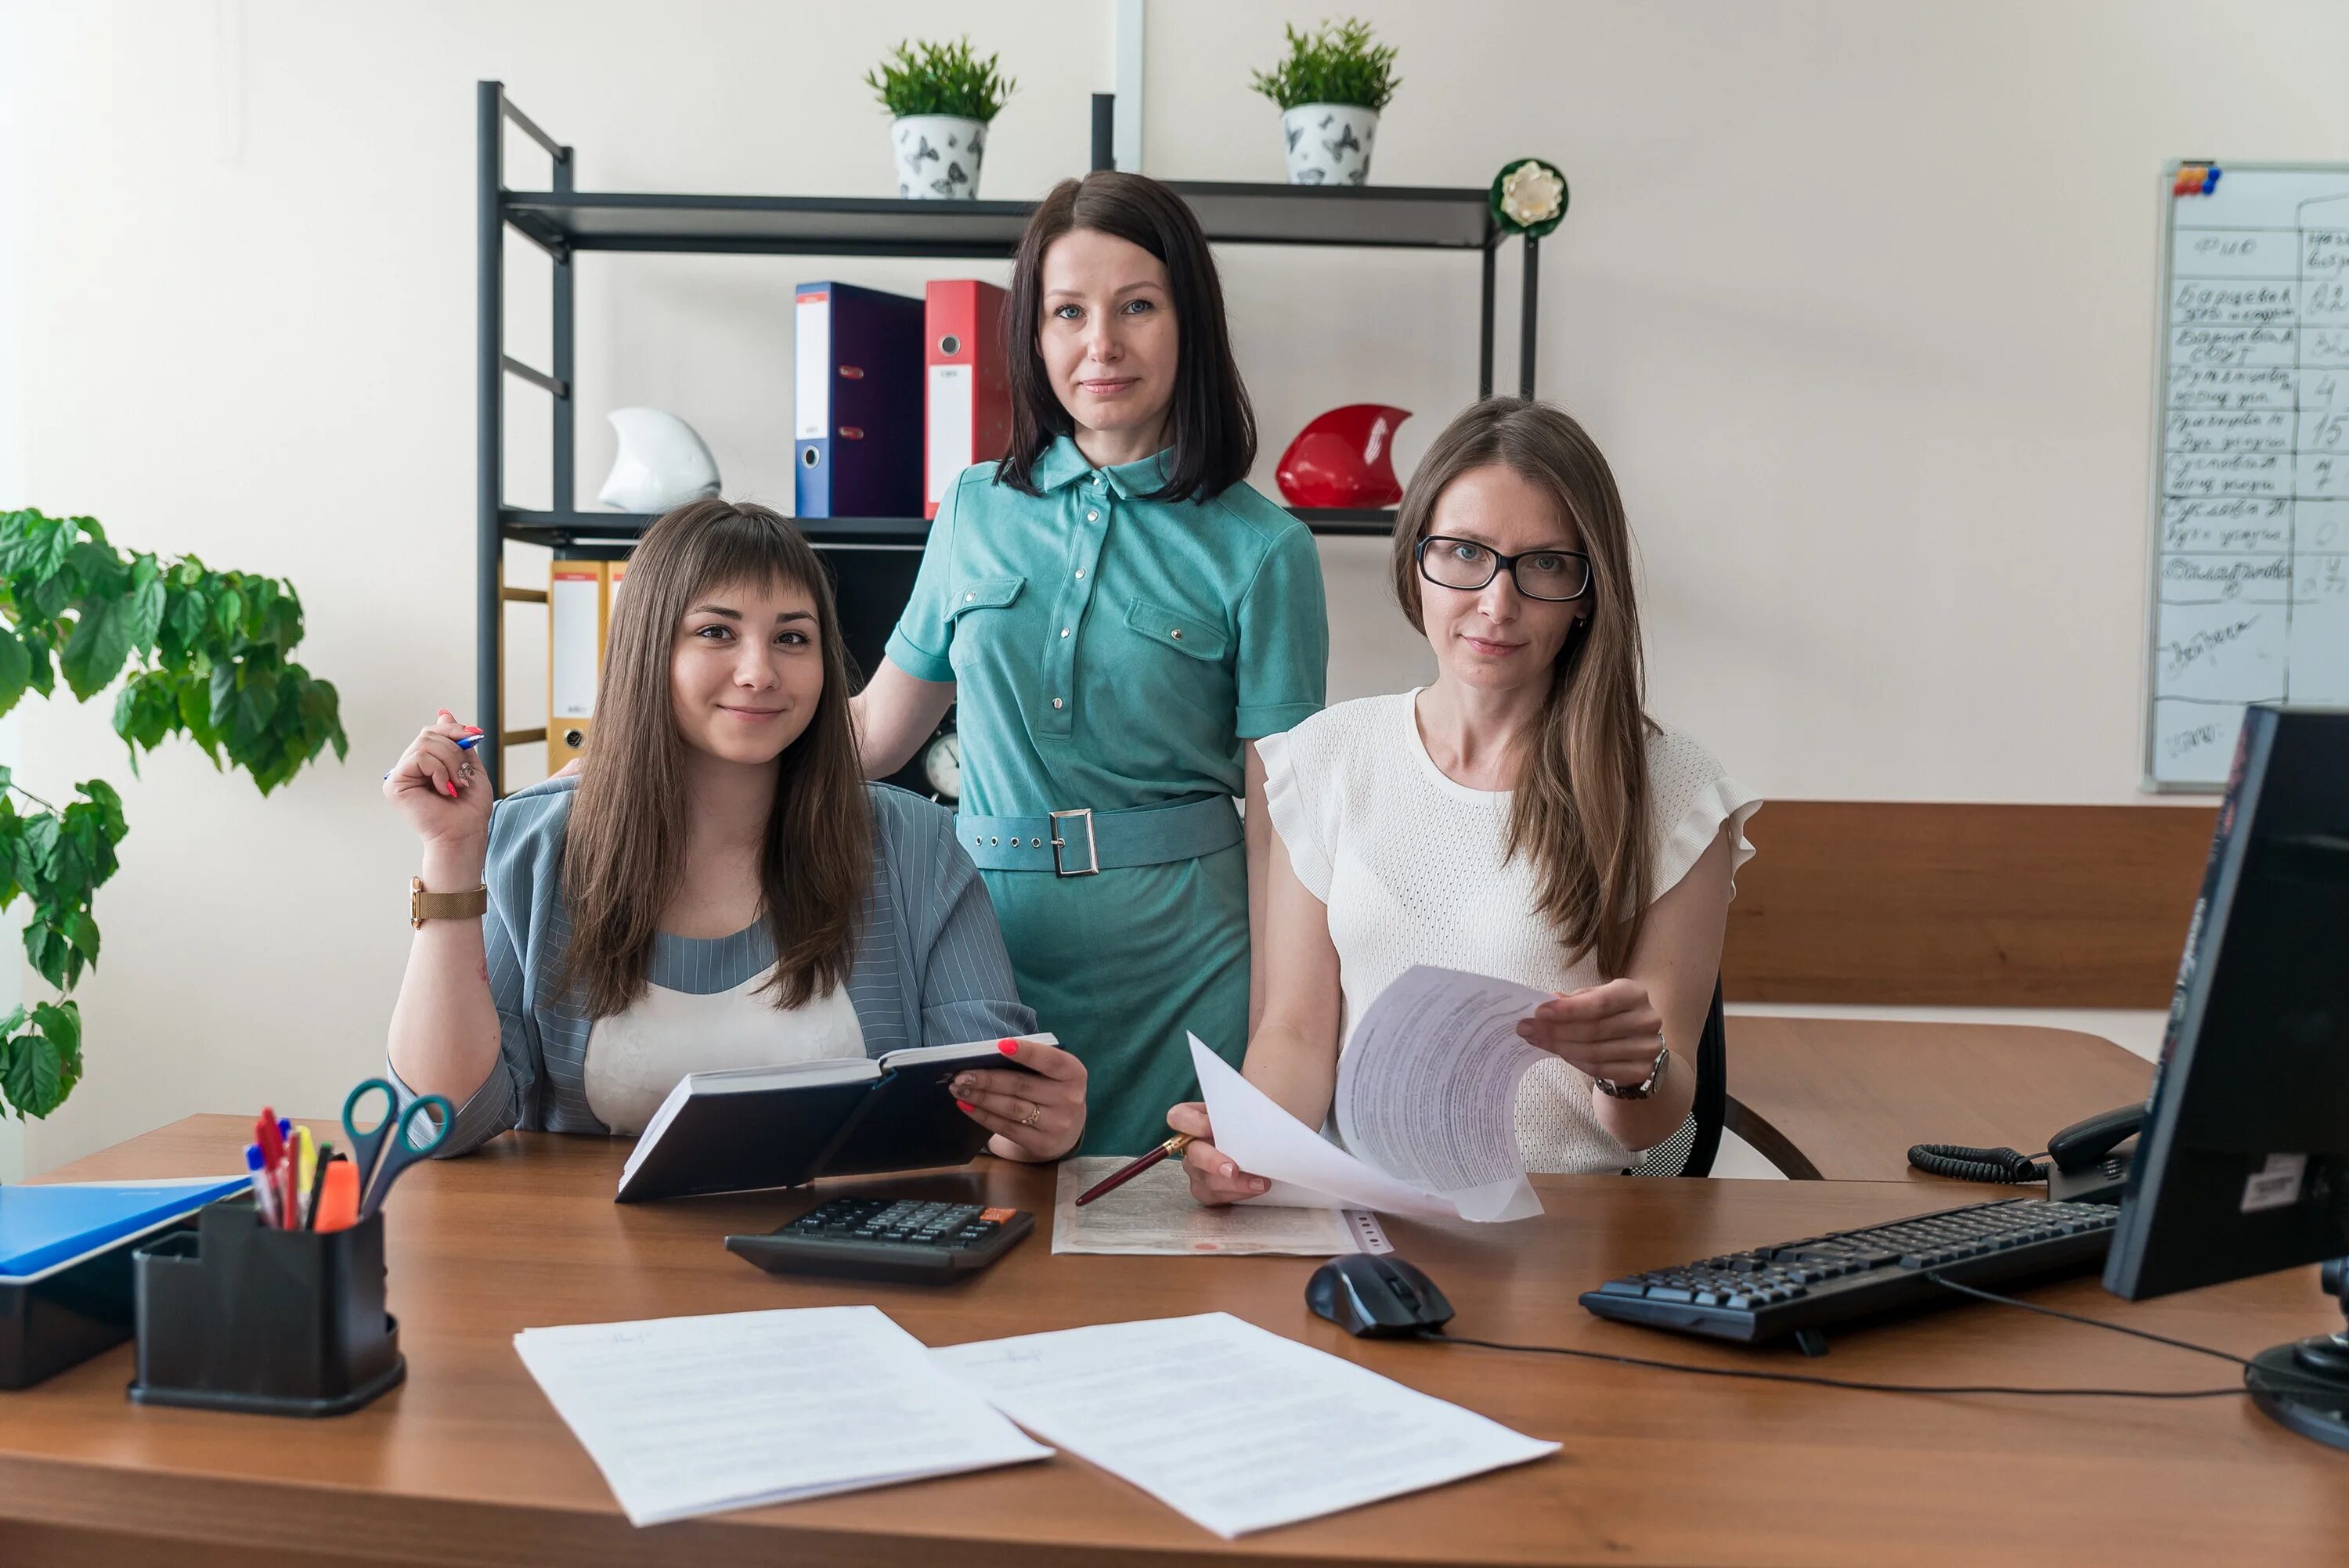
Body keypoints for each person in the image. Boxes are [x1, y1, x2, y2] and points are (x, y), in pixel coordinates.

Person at [1168, 398, 1762, 1201]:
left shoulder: (1675, 791)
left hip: (1570, 1224)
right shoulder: (1325, 760)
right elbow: (1297, 1035)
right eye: (1463, 552)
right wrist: (1249, 1143)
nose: (1495, 602)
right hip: (1368, 1217)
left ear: (1589, 590)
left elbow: (1653, 1126)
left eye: (1545, 564)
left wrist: (1635, 1070)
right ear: (1417, 556)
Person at [853, 172, 1329, 1155]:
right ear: (1034, 334)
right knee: (982, 1231)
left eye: (1138, 307)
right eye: (1068, 312)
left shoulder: (1265, 548)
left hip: (1183, 963)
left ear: (1189, 322)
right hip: (977, 943)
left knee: (1163, 1245)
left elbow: (1280, 830)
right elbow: (869, 736)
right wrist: (634, 755)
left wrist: (1284, 1042)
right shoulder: (974, 507)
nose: (1100, 344)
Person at [384, 499, 1085, 1160]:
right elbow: (444, 1121)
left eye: (792, 638)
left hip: (852, 1267)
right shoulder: (530, 843)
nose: (760, 672)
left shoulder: (915, 844)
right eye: (716, 631)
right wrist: (450, 852)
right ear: (646, 650)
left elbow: (984, 1113)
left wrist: (1033, 1126)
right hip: (593, 1270)